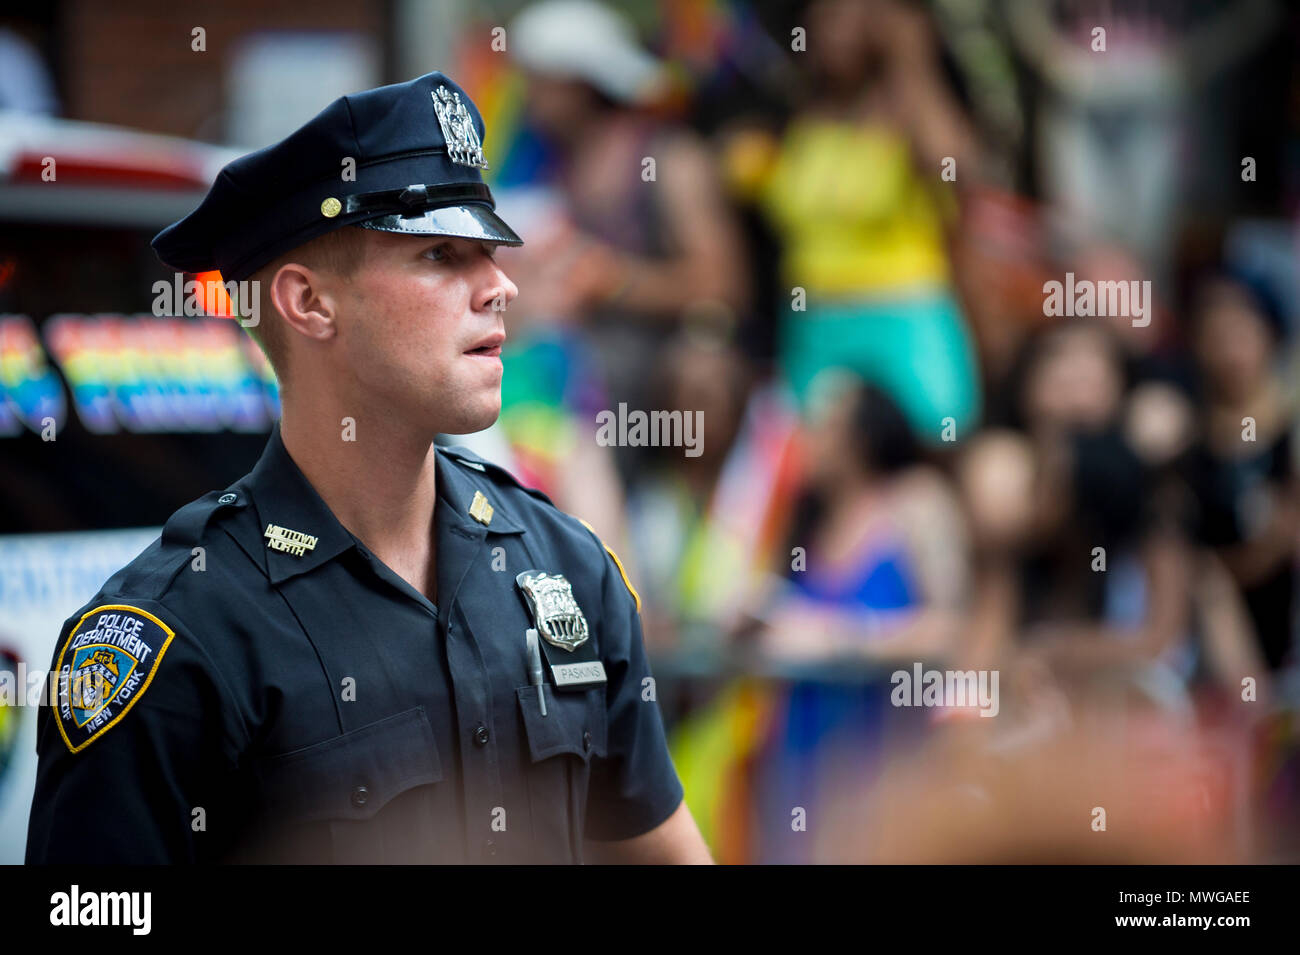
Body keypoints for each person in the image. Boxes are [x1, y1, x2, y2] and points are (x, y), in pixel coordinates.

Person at [25, 71, 711, 865]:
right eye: (441, 254)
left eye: (489, 251)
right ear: (309, 303)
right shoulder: (178, 640)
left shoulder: (567, 567)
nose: (500, 285)